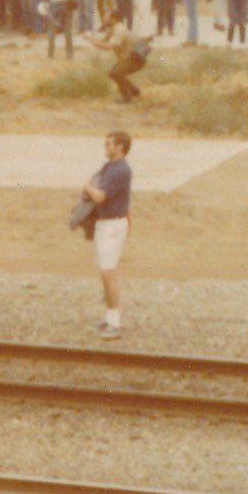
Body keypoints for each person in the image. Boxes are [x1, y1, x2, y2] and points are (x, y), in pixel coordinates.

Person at [82, 131, 134, 339]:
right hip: (105, 224)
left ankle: (115, 323)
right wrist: (91, 187)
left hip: (112, 226)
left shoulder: (120, 170)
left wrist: (88, 188)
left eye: (108, 143)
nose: (105, 146)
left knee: (108, 273)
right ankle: (109, 318)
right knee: (105, 272)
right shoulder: (109, 166)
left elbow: (99, 196)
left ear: (120, 147)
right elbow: (94, 182)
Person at [88, 14, 150, 103]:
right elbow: (102, 40)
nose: (104, 19)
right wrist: (91, 39)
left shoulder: (119, 30)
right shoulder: (111, 28)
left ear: (113, 19)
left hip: (135, 58)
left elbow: (108, 46)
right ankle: (134, 90)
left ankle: (126, 96)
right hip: (128, 58)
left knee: (117, 73)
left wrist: (94, 42)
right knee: (113, 73)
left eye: (106, 17)